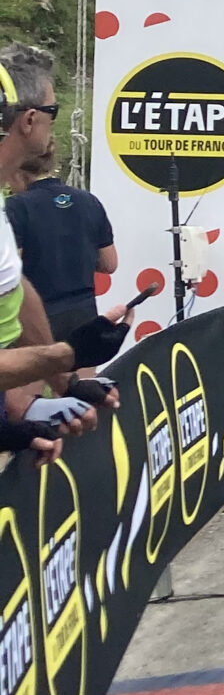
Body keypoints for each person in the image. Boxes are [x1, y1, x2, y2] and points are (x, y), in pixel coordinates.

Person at [0, 45, 127, 454]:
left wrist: (65, 380)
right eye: (54, 111)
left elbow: (14, 289)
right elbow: (109, 262)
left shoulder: (9, 207)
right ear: (30, 119)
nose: (54, 123)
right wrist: (68, 353)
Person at [4, 150, 117, 347]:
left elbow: (11, 272)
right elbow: (109, 264)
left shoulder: (16, 206)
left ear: (17, 172)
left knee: (33, 373)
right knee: (82, 376)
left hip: (37, 314)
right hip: (83, 311)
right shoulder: (88, 200)